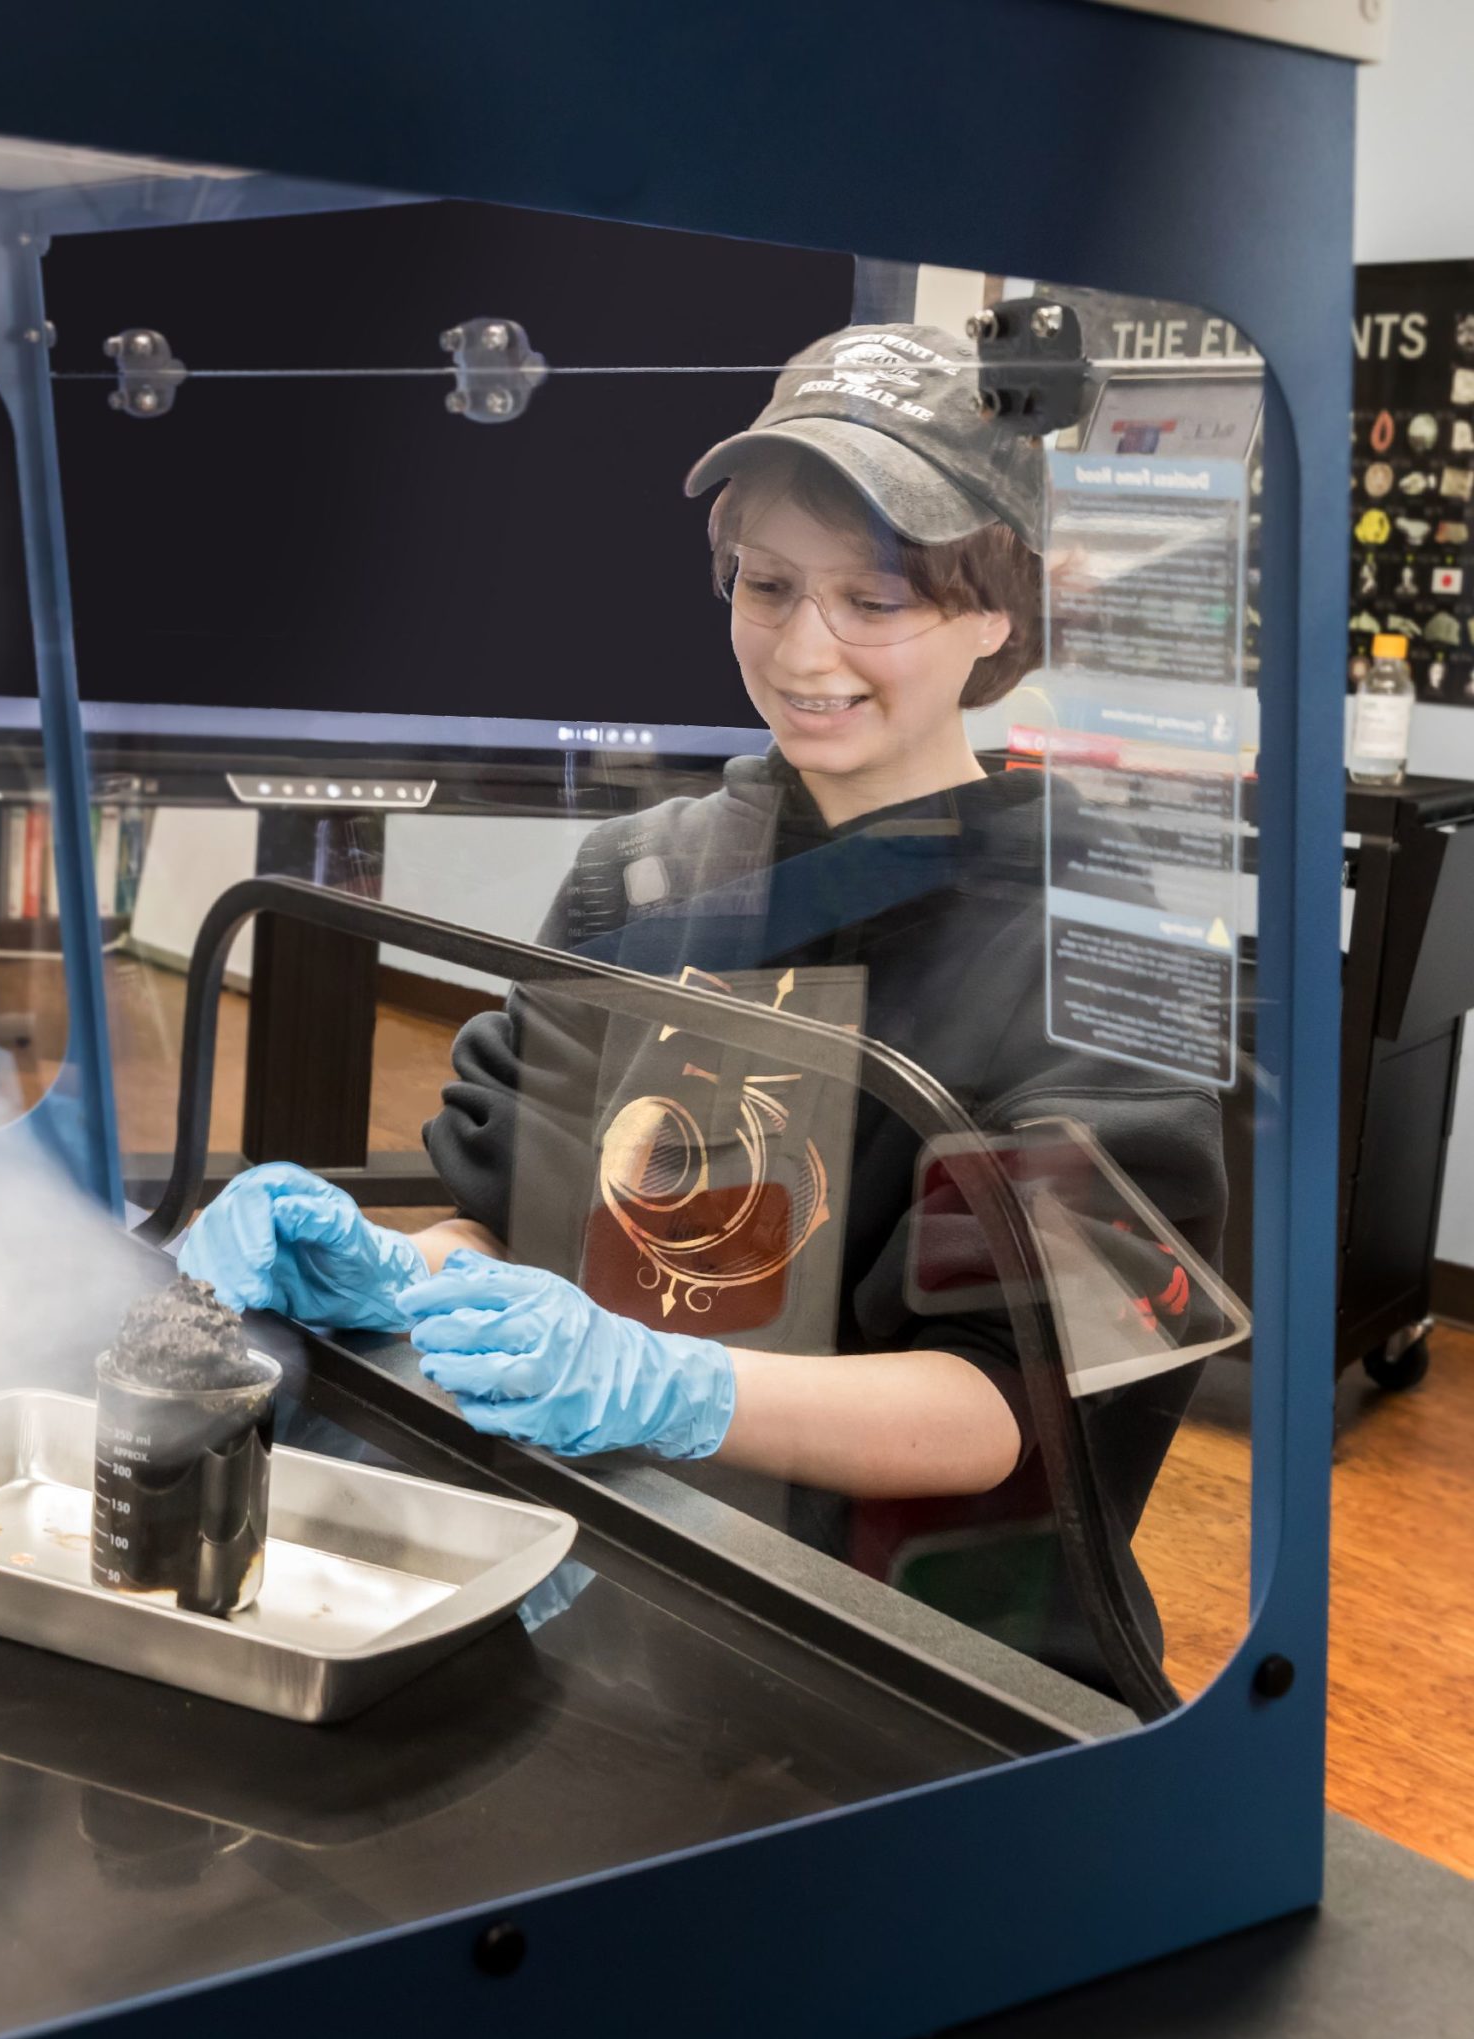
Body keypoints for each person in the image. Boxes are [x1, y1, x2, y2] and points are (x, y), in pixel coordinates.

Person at [180, 324, 1229, 1685]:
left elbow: (1012, 1412)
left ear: (997, 615)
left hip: (914, 1648)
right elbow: (513, 1219)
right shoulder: (647, 875)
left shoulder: (1092, 941)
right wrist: (398, 1269)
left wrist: (677, 1386)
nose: (808, 648)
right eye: (771, 585)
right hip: (620, 1581)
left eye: (880, 598)